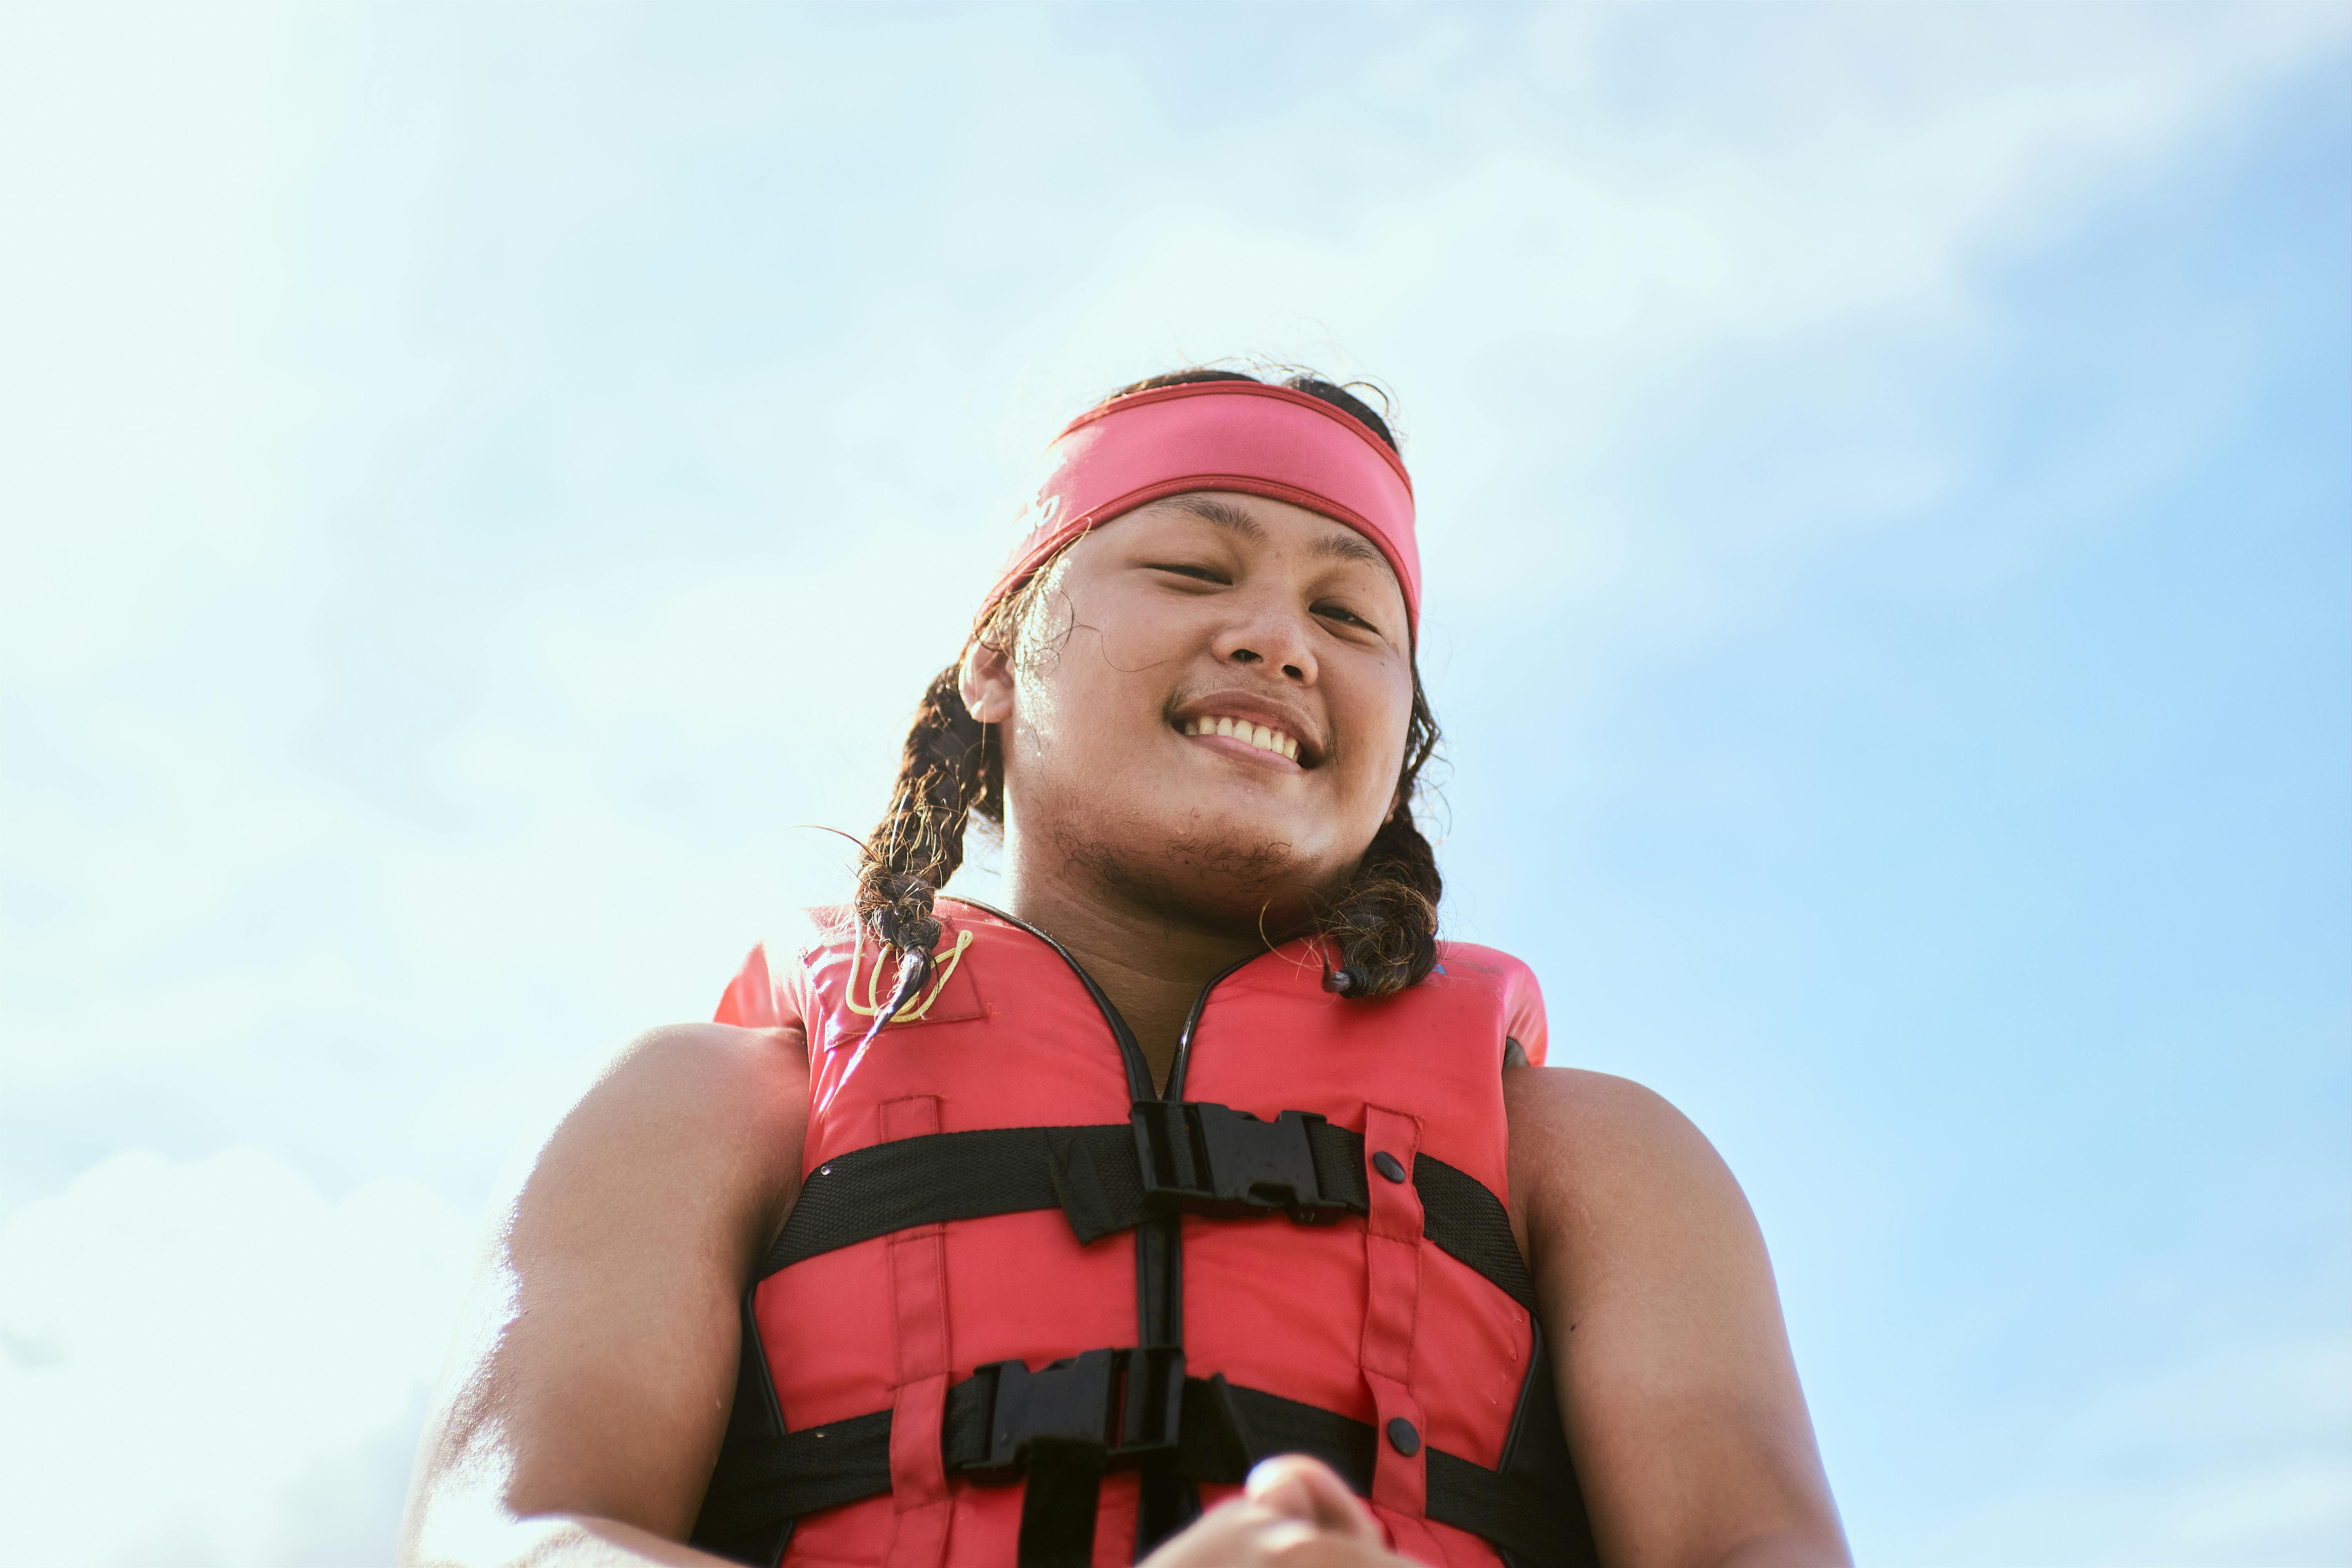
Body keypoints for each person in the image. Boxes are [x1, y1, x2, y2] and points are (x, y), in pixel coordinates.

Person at [400, 370, 1850, 1568]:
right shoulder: (699, 1116)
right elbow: (514, 1539)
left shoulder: (1601, 1164)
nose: (1278, 640)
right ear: (993, 663)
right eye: (1192, 568)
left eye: (1350, 619)